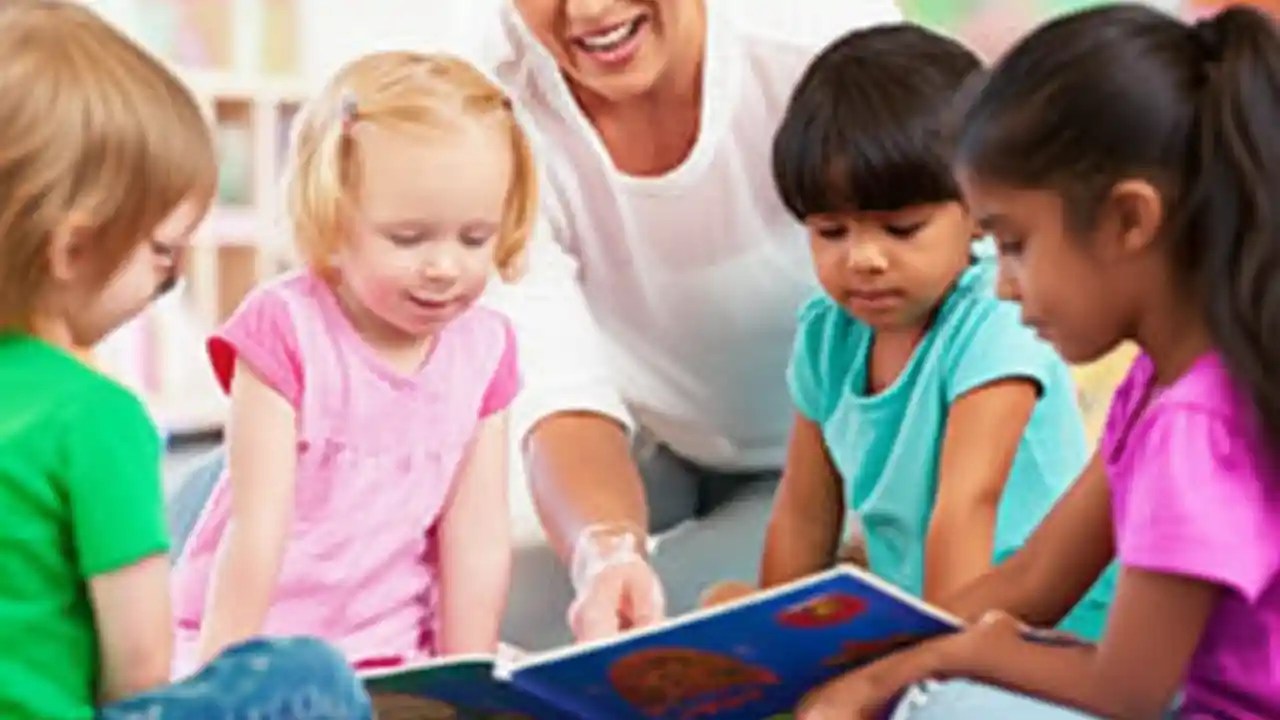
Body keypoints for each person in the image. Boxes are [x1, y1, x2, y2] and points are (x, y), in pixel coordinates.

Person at [167, 0, 905, 651]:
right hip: (645, 432)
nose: (587, 12)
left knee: (675, 632)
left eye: (468, 239)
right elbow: (560, 391)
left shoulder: (816, 41)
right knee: (223, 501)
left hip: (816, 452)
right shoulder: (491, 96)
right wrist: (607, 552)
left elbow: (938, 261)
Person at [798, 4, 1280, 719]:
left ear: (1129, 220)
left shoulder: (1195, 427)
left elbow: (1126, 690)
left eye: (1015, 244)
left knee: (951, 707)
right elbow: (1037, 578)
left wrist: (953, 658)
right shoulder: (1164, 383)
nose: (1002, 284)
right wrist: (882, 668)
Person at [0, 3, 371, 718]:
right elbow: (139, 671)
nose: (166, 281)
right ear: (73, 249)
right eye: (161, 255)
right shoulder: (95, 416)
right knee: (307, 673)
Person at [703, 23, 1112, 639]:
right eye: (831, 232)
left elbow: (967, 503)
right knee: (726, 604)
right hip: (919, 605)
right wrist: (776, 642)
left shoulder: (996, 318)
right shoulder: (829, 334)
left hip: (1043, 620)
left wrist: (937, 661)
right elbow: (805, 512)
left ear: (977, 212)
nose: (863, 258)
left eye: (901, 230)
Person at [169, 51, 532, 673]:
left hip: (391, 643)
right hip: (260, 637)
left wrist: (466, 676)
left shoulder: (486, 348)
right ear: (333, 222)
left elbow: (475, 539)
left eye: (475, 238)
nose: (445, 267)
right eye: (408, 238)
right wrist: (224, 684)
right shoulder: (286, 328)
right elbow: (257, 529)